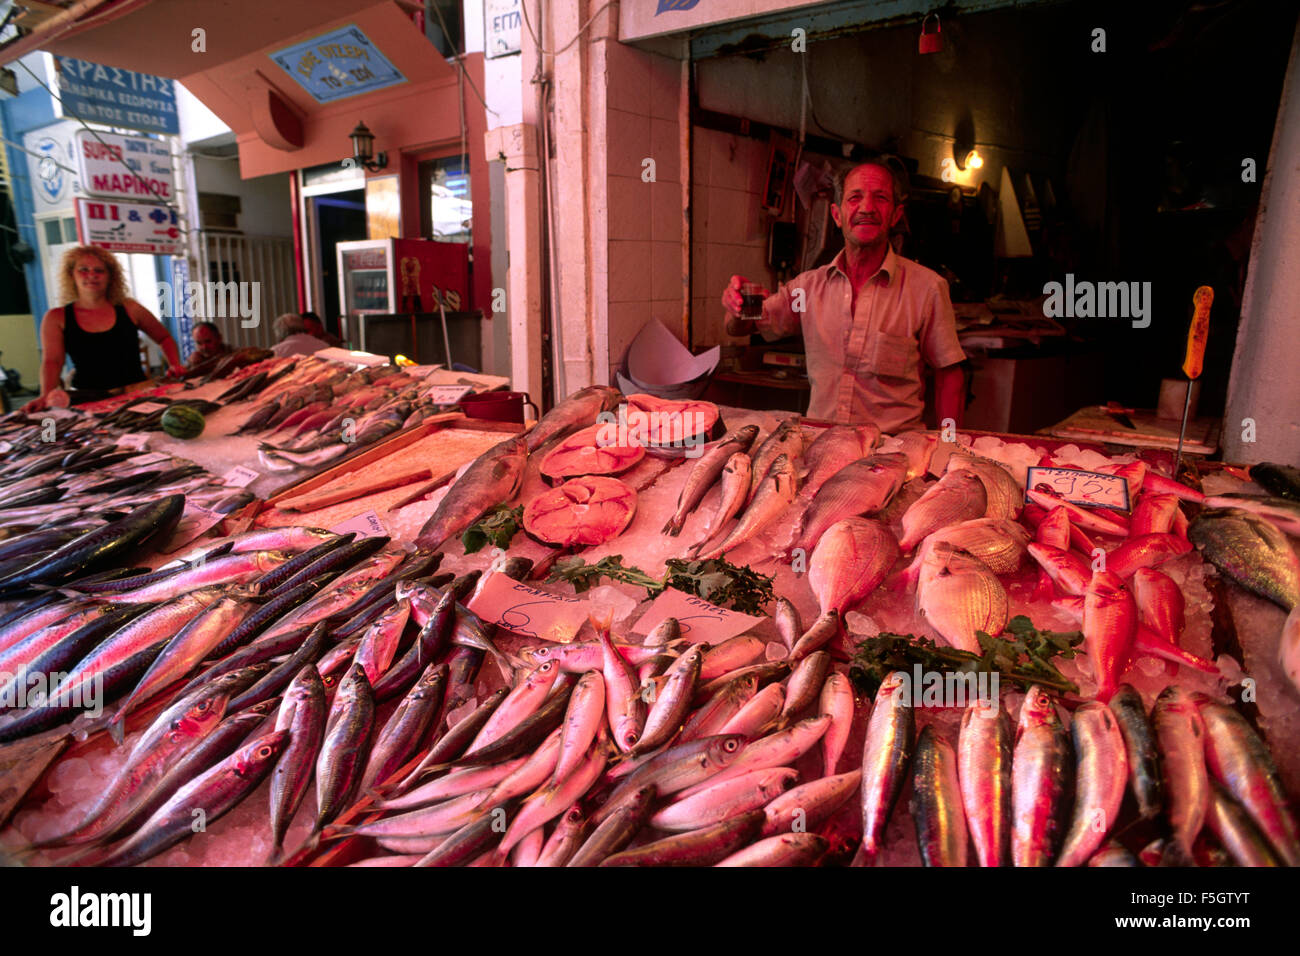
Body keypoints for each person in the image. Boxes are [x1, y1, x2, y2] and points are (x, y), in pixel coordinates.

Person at [721, 159, 966, 433]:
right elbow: (744, 326)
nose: (867, 208)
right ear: (837, 215)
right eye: (855, 198)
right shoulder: (808, 289)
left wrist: (949, 442)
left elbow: (950, 374)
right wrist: (740, 304)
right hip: (821, 445)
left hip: (893, 453)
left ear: (896, 215)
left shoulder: (928, 288)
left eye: (880, 198)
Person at [23, 245, 183, 411]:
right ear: (71, 275)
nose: (91, 275)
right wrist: (45, 395)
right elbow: (52, 361)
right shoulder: (56, 317)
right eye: (83, 270)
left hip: (137, 395)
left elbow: (164, 338)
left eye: (99, 270)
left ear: (110, 277)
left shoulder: (130, 308)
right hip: (87, 401)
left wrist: (174, 364)